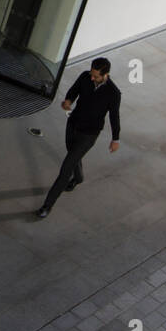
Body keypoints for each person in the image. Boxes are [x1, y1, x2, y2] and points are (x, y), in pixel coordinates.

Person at [36, 57, 121, 219]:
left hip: (89, 134)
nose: (92, 78)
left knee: (66, 167)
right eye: (91, 74)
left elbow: (114, 117)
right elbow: (74, 90)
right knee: (72, 155)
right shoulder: (85, 76)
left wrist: (115, 139)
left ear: (105, 75)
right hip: (73, 124)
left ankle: (47, 205)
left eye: (96, 76)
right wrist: (68, 100)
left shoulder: (113, 93)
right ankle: (79, 177)